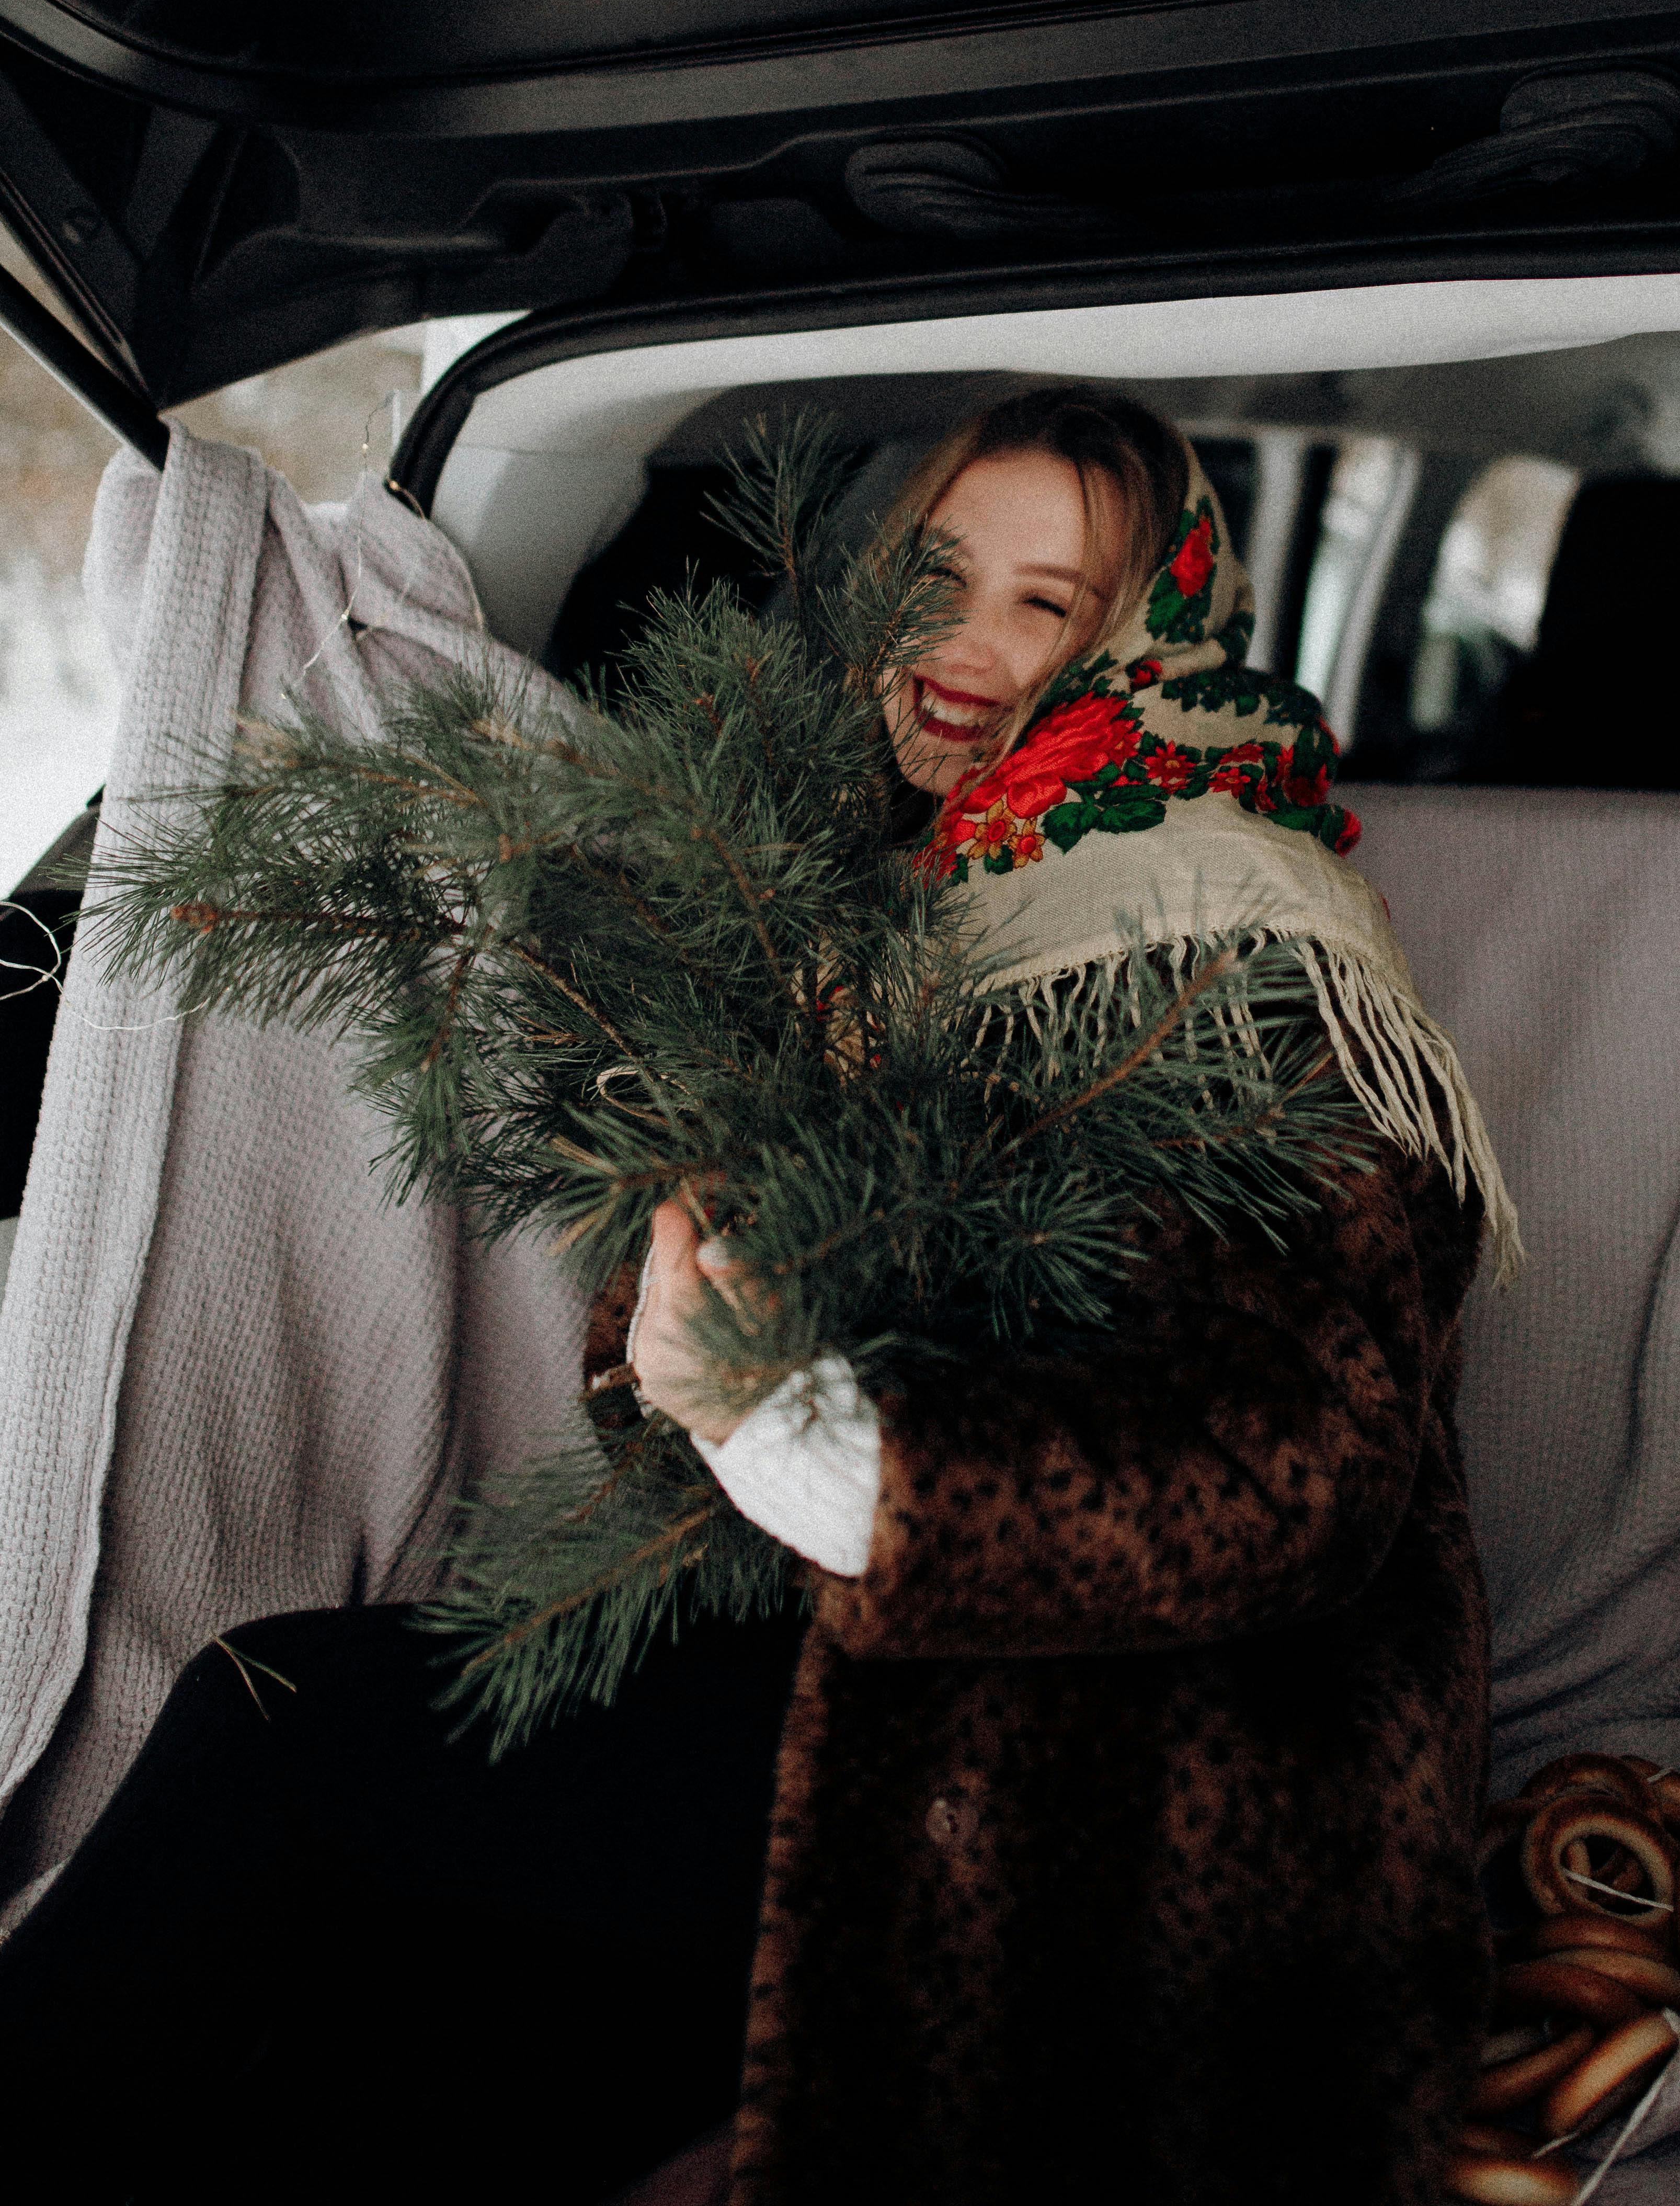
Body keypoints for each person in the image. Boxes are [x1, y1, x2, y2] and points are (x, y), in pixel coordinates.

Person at [0, 388, 1511, 2206]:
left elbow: (1297, 1464)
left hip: (1116, 1773)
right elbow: (724, 1383)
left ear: (1146, 638)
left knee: (288, 1720)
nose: (966, 647)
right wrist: (685, 1345)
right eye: (939, 573)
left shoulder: (1240, 941)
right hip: (833, 1682)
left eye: (1050, 605)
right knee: (394, 2061)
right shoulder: (891, 913)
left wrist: (832, 1453)